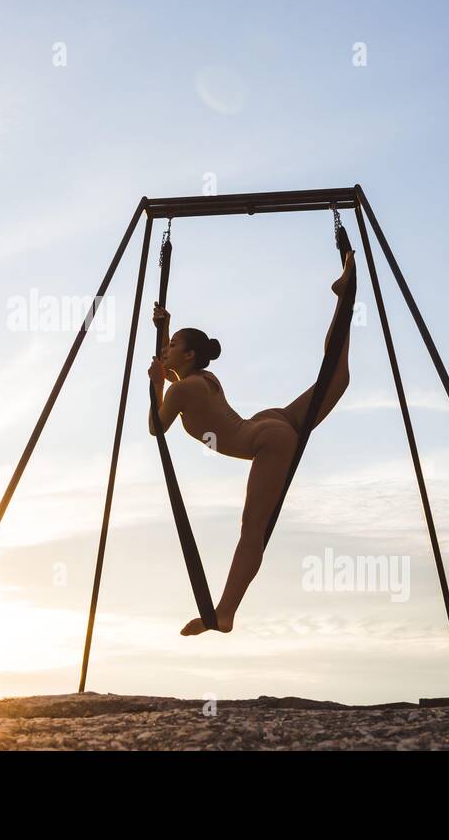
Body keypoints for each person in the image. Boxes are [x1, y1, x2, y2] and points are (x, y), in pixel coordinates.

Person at [148, 249, 356, 636]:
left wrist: (157, 383)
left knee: (252, 531)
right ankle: (345, 298)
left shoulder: (179, 390)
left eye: (173, 344)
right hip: (267, 425)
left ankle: (225, 613)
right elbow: (170, 365)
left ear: (189, 354)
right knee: (336, 378)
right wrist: (165, 327)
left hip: (266, 439)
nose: (166, 349)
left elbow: (156, 428)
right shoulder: (197, 383)